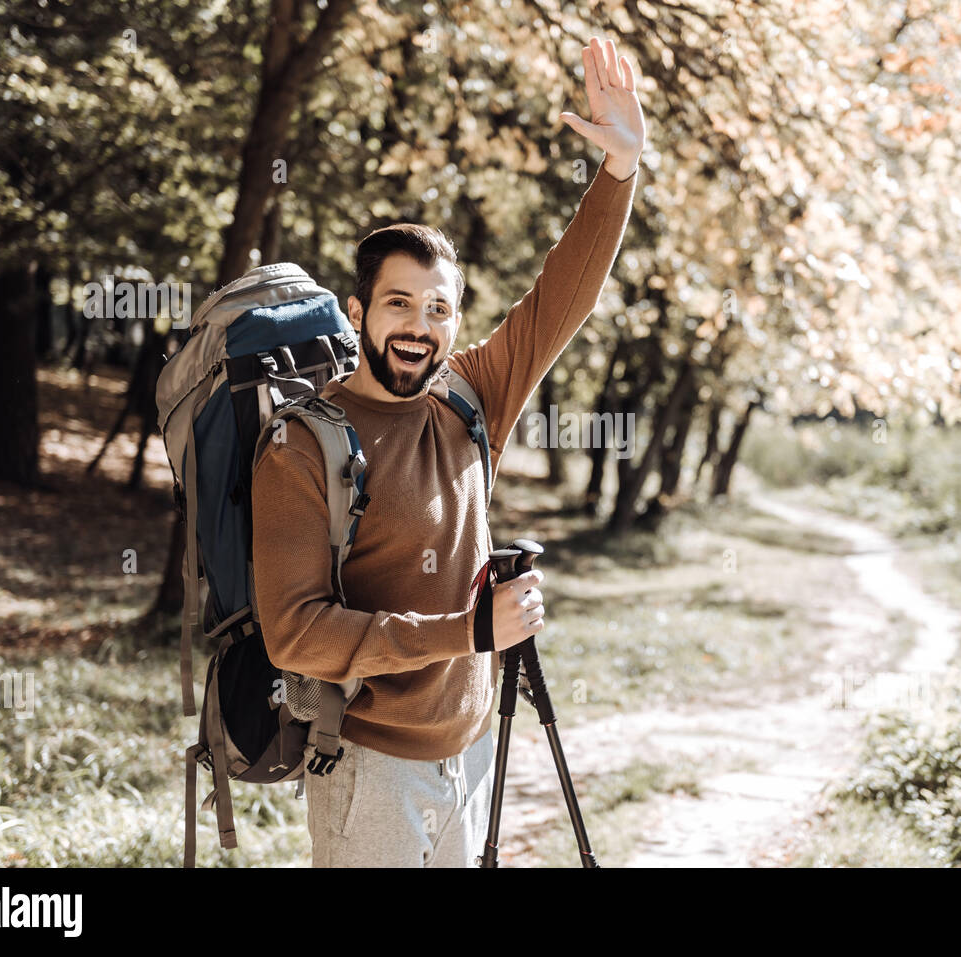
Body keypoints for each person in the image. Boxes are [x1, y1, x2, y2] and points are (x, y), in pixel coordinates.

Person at [250, 34, 644, 867]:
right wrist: (466, 628)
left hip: (469, 749)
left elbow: (558, 301)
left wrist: (617, 174)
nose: (419, 328)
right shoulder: (301, 443)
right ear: (358, 313)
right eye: (399, 304)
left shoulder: (470, 397)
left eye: (439, 309)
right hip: (368, 764)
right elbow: (295, 634)